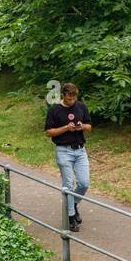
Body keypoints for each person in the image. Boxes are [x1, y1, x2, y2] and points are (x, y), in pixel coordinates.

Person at [45, 82, 92, 232]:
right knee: (68, 184)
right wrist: (66, 128)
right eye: (69, 99)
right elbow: (49, 132)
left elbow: (89, 126)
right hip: (63, 151)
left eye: (74, 98)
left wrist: (81, 126)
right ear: (63, 95)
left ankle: (74, 203)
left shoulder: (81, 106)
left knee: (84, 183)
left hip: (80, 150)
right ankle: (70, 217)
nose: (72, 101)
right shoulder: (54, 110)